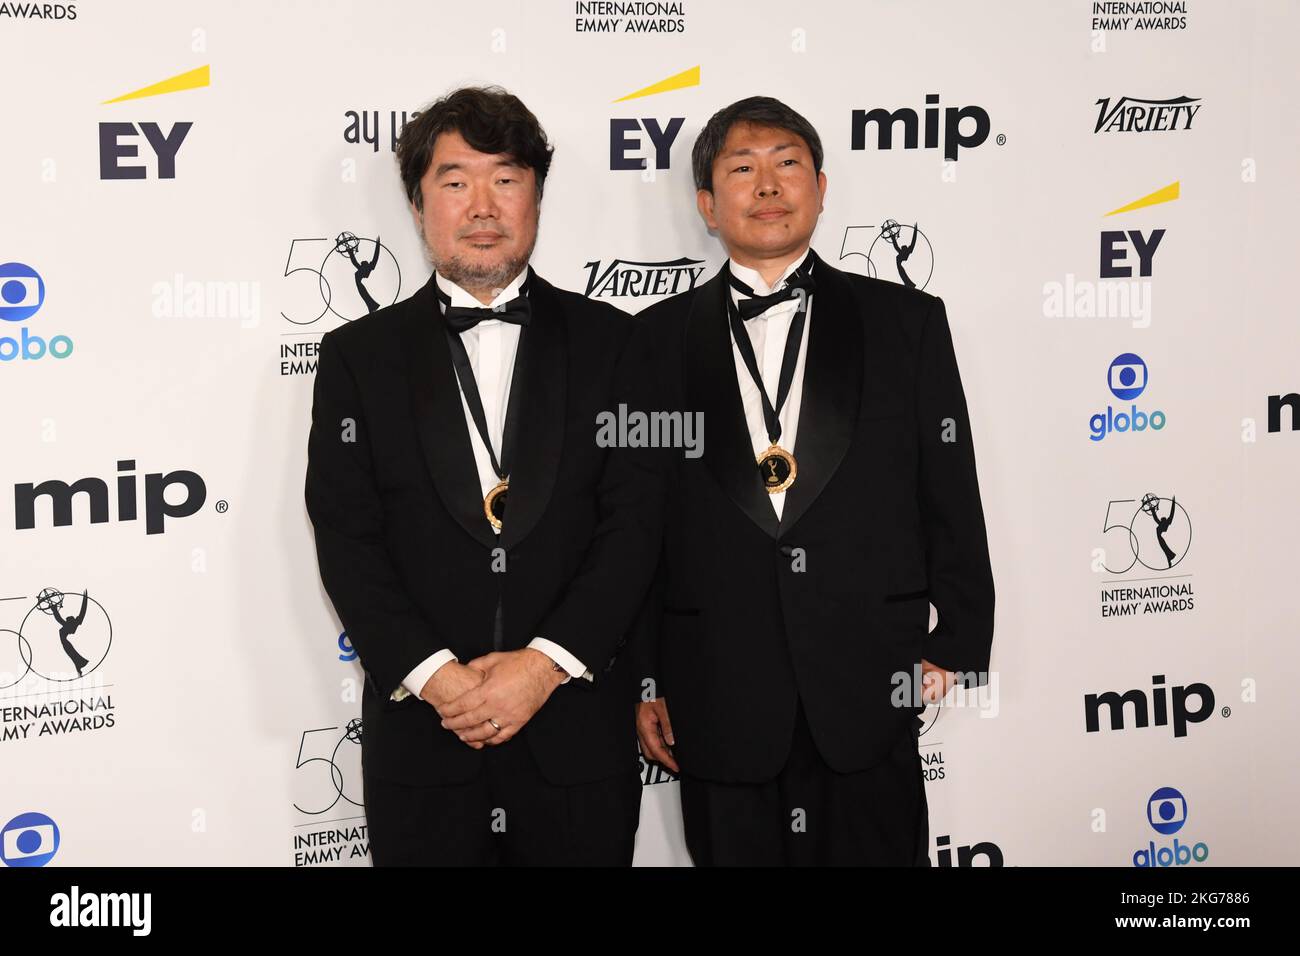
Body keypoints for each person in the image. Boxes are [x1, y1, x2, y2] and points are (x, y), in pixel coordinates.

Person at [633, 96, 996, 865]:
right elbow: (637, 524)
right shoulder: (649, 342)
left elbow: (950, 487)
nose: (768, 185)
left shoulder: (907, 323)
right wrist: (642, 676)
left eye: (787, 164)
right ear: (707, 204)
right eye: (742, 169)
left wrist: (956, 640)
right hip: (716, 693)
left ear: (822, 188)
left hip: (870, 683)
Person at [305, 86, 662, 865]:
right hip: (424, 741)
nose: (482, 205)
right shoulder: (357, 358)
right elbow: (347, 536)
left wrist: (542, 668)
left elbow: (635, 525)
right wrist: (439, 681)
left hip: (577, 737)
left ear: (536, 194)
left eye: (505, 178)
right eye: (455, 180)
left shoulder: (616, 343)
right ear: (416, 200)